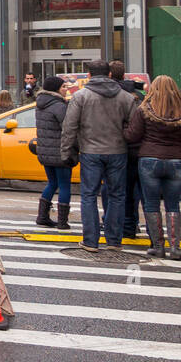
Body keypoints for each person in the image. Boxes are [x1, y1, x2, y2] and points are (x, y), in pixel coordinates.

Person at [60, 59, 138, 252]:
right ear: (110, 74)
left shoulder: (81, 96)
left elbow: (69, 127)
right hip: (118, 151)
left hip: (91, 151)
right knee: (117, 196)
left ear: (89, 75)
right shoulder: (126, 97)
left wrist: (67, 151)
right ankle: (114, 240)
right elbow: (134, 128)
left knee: (89, 195)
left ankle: (90, 240)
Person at [125, 75, 181, 260]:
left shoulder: (144, 109)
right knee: (173, 205)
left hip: (149, 160)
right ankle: (175, 248)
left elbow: (132, 136)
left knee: (151, 204)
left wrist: (122, 130)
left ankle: (158, 246)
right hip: (176, 160)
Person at [105, 60, 144, 240]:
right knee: (136, 190)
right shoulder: (137, 95)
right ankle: (132, 224)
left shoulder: (110, 95)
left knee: (117, 189)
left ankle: (118, 224)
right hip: (140, 148)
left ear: (110, 75)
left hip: (120, 147)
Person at [34, 75, 75, 230]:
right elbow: (68, 129)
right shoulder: (59, 106)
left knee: (52, 183)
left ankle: (42, 216)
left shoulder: (40, 104)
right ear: (56, 89)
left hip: (45, 151)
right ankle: (62, 221)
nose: (66, 90)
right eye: (63, 87)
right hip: (60, 151)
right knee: (64, 185)